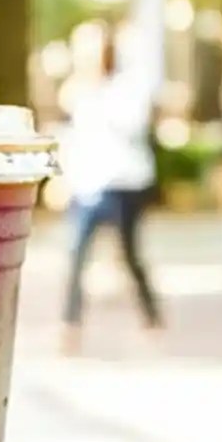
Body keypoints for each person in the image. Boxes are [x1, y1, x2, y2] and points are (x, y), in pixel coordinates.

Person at [60, 28, 163, 354]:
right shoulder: (76, 91)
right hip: (87, 185)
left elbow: (132, 125)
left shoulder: (125, 89)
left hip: (122, 184)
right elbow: (73, 138)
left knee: (130, 255)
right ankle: (70, 324)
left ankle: (151, 314)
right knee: (77, 254)